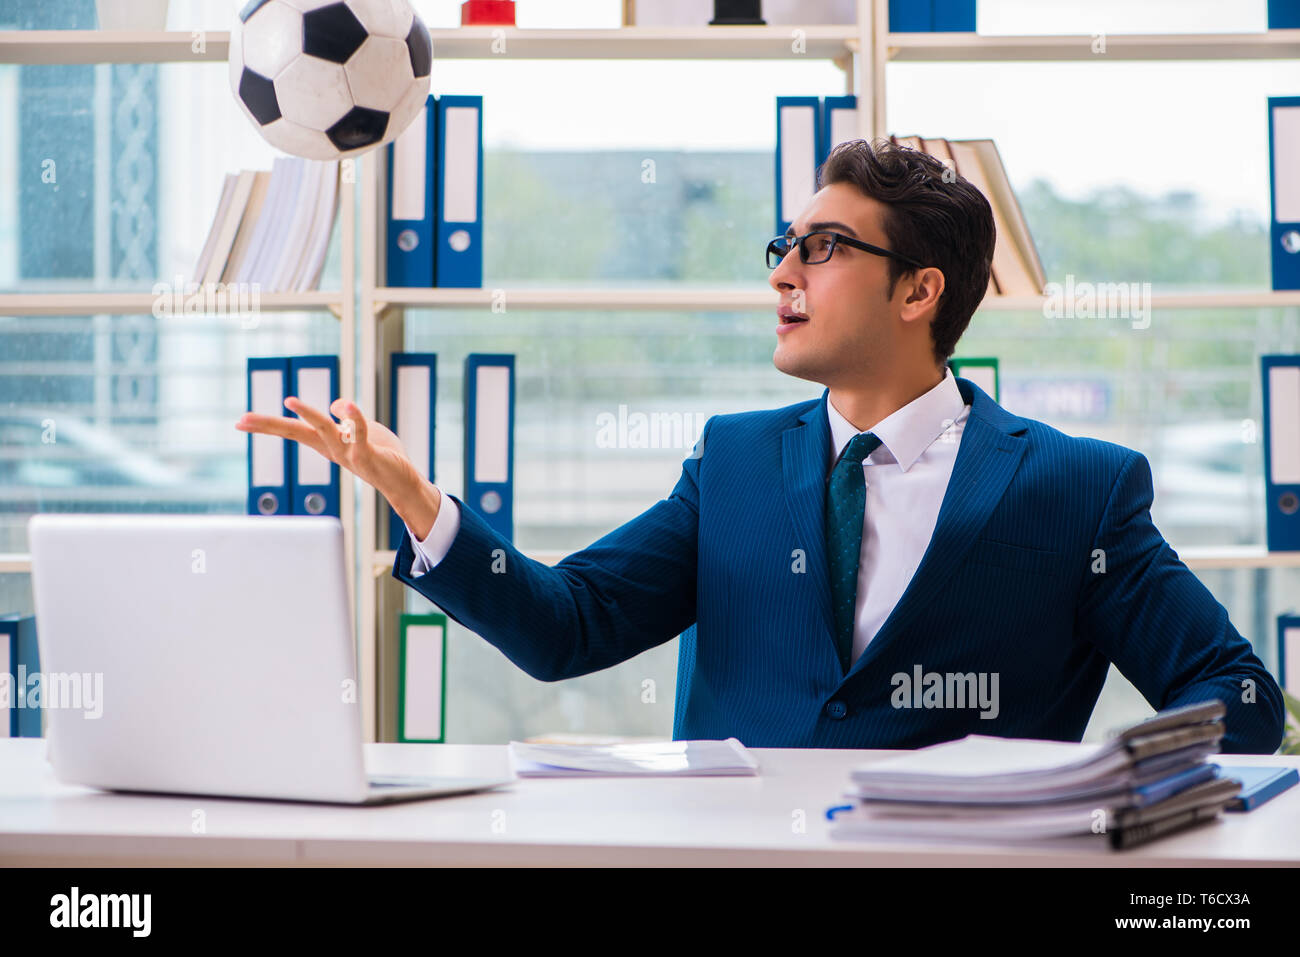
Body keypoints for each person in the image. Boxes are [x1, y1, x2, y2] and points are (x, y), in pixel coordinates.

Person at [236, 138, 1284, 753]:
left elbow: (1232, 694)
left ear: (920, 291)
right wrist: (419, 501)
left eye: (822, 249)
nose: (782, 273)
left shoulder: (1076, 488)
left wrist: (1099, 793)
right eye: (782, 247)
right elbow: (568, 627)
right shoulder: (732, 464)